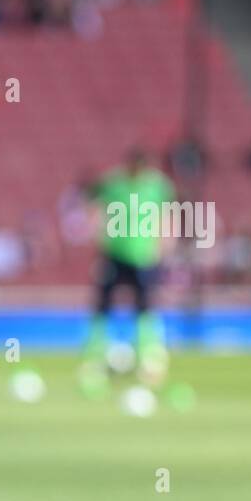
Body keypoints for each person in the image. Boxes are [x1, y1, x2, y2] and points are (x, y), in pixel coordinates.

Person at [81, 147, 174, 392]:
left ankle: (149, 355)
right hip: (114, 253)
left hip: (143, 256)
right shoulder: (112, 183)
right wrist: (97, 233)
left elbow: (165, 215)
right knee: (103, 304)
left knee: (145, 306)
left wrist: (163, 244)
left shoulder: (158, 186)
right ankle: (94, 354)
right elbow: (94, 205)